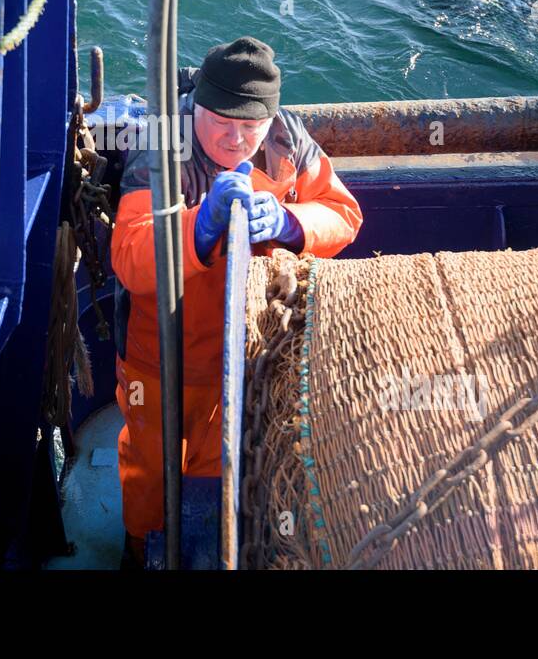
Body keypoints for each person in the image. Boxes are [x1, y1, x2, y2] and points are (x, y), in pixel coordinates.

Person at [110, 36, 363, 565]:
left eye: (251, 127)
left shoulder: (289, 138)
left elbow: (343, 214)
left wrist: (293, 224)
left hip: (248, 349)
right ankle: (138, 549)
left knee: (221, 461)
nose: (236, 139)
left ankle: (207, 540)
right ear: (196, 103)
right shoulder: (160, 144)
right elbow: (131, 255)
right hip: (161, 351)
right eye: (221, 122)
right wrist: (195, 230)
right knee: (149, 467)